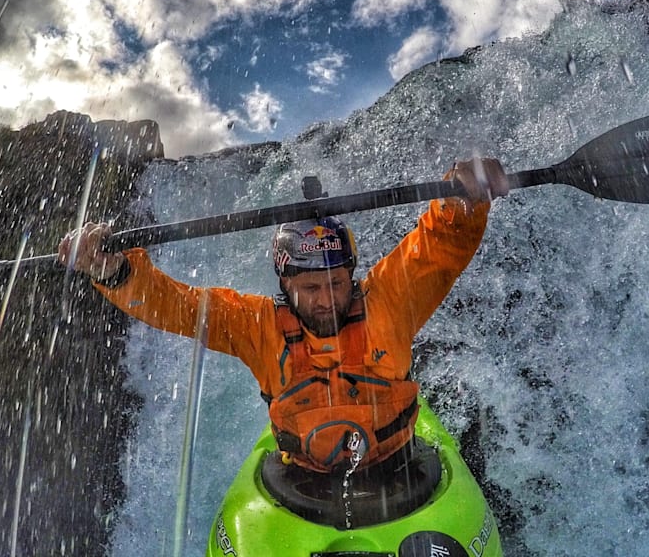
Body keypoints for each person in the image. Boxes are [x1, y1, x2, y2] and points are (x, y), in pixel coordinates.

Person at [59, 158, 508, 477]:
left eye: (337, 283)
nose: (328, 299)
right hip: (302, 484)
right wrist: (113, 271)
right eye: (311, 288)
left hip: (400, 472)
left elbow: (438, 249)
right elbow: (177, 305)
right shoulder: (257, 327)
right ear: (285, 286)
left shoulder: (386, 302)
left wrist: (461, 198)